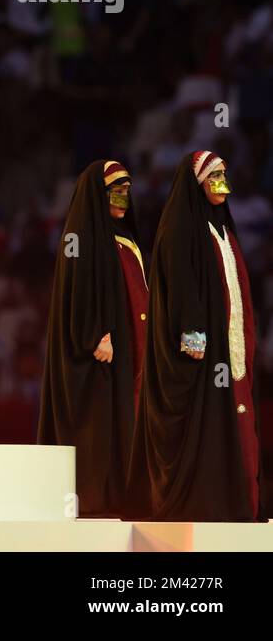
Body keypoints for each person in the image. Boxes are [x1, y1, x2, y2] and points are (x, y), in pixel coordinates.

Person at [128, 151, 264, 521]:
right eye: (214, 175)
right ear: (199, 182)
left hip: (231, 349)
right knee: (207, 426)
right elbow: (182, 285)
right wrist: (194, 336)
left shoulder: (225, 231)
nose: (221, 181)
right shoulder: (180, 228)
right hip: (202, 352)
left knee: (240, 426)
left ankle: (238, 508)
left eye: (224, 173)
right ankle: (205, 507)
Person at [38, 160, 147, 517]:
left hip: (131, 355)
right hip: (99, 355)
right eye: (115, 190)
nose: (123, 198)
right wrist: (95, 335)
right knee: (97, 435)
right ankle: (95, 507)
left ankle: (127, 500)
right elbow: (77, 293)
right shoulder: (79, 237)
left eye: (127, 191)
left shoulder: (126, 238)